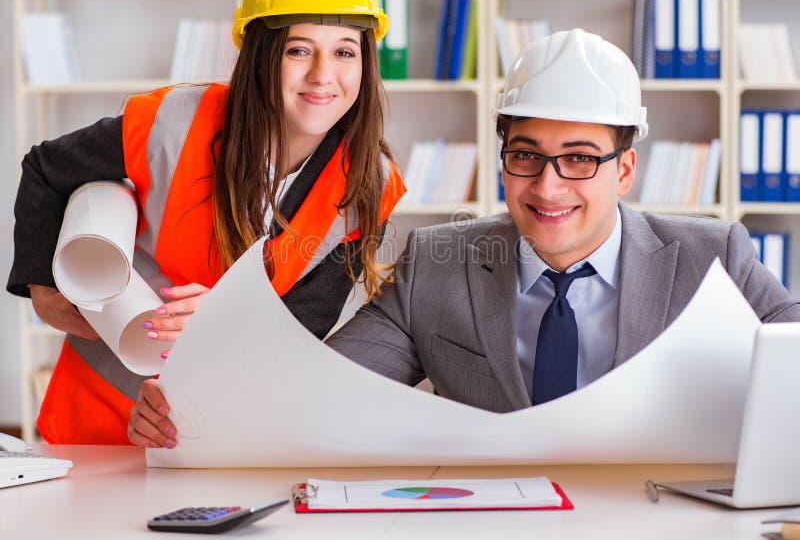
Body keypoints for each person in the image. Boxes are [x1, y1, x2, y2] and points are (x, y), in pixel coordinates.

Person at [133, 28, 800, 449]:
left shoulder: (715, 259)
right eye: (526, 154)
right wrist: (196, 404)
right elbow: (321, 389)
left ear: (625, 168)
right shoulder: (437, 264)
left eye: (578, 158)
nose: (547, 186)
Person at [6, 0, 406, 445]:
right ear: (261, 54)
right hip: (101, 415)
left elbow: (302, 328)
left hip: (224, 427)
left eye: (345, 52)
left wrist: (226, 318)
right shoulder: (175, 122)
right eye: (298, 50)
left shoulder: (369, 185)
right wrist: (41, 287)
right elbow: (46, 168)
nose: (322, 75)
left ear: (365, 63)